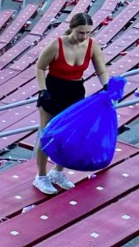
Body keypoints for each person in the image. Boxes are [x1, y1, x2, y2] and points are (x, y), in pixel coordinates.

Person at [33, 11, 109, 195]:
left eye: (87, 32)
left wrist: (107, 85)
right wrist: (43, 89)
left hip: (75, 92)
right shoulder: (57, 44)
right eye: (80, 32)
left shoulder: (91, 45)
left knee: (70, 135)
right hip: (53, 90)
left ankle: (58, 172)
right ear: (72, 28)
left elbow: (101, 70)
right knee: (46, 133)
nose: (83, 36)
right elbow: (40, 67)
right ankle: (40, 176)